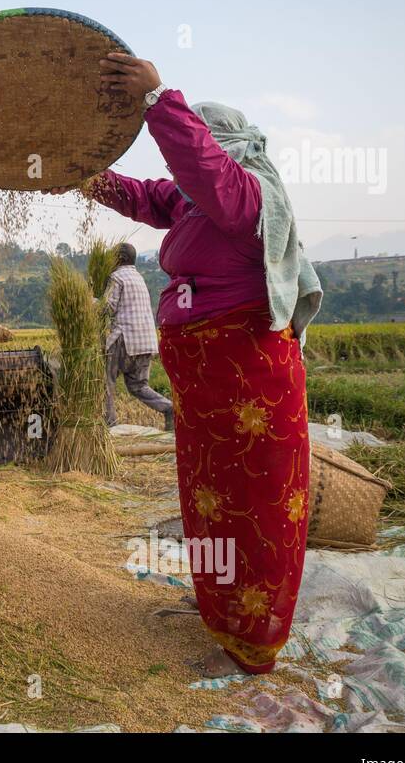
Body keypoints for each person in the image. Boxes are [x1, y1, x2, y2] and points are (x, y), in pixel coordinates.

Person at [50, 52, 322, 677]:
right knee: (211, 501)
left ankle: (256, 635)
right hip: (207, 392)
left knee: (254, 498)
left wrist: (157, 99)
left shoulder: (245, 194)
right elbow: (146, 195)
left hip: (248, 385)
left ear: (225, 148)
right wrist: (84, 173)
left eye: (202, 143)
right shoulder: (195, 203)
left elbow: (200, 168)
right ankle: (221, 615)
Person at [101, 242, 173, 430]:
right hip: (147, 341)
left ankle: (110, 427)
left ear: (119, 259)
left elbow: (108, 307)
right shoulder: (138, 277)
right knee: (138, 386)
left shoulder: (116, 277)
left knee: (104, 382)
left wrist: (91, 301)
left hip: (125, 339)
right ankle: (169, 408)